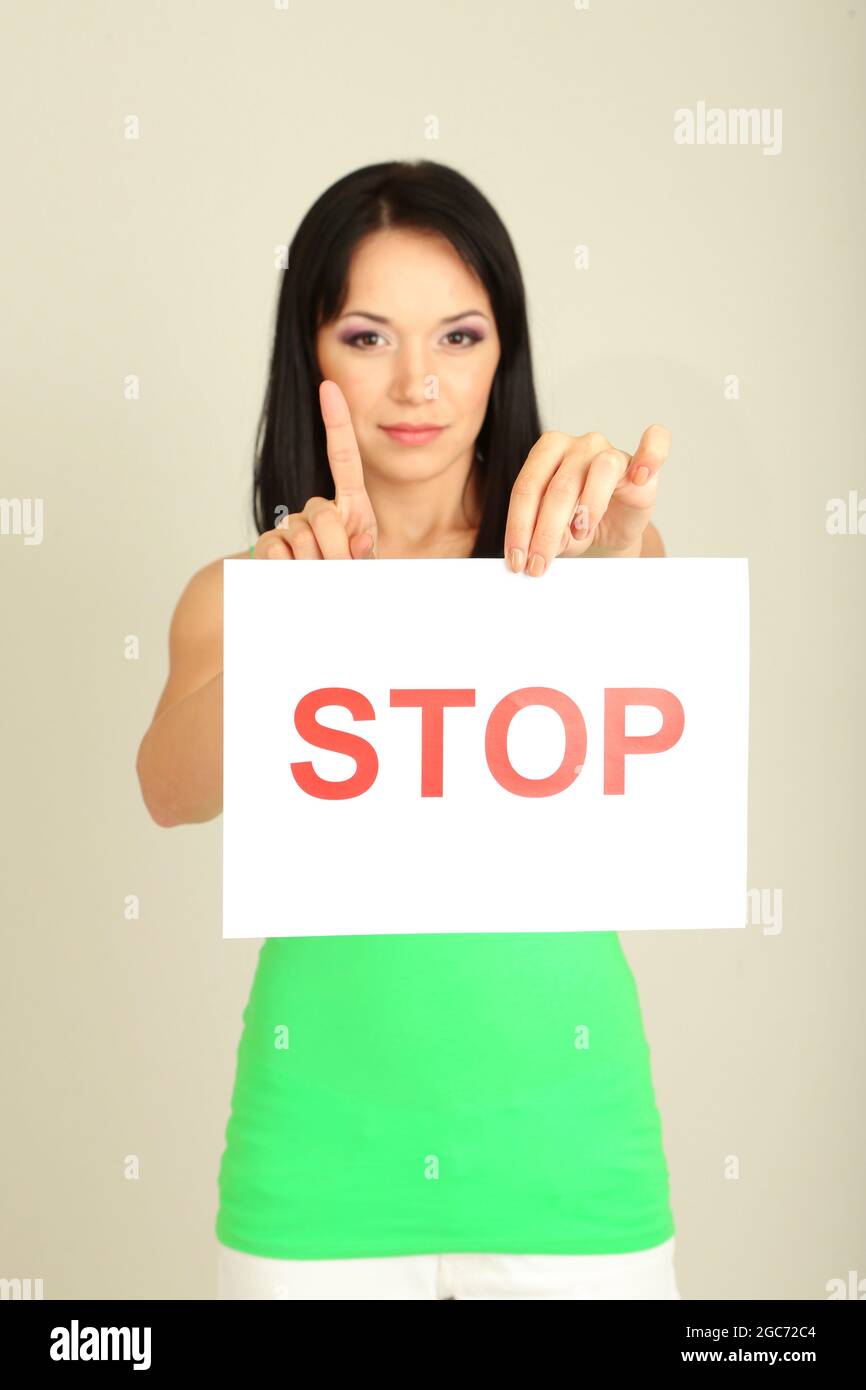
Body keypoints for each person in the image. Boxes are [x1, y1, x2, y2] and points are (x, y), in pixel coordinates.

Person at [135, 159, 680, 1301]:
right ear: (313, 356)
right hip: (316, 1175)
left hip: (572, 1165)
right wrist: (315, 634)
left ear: (503, 355)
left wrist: (614, 553)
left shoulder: (582, 560)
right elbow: (171, 788)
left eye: (460, 337)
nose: (417, 383)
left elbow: (644, 673)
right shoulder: (246, 593)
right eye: (370, 337)